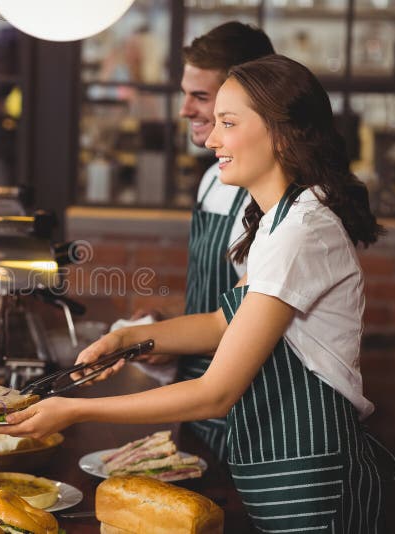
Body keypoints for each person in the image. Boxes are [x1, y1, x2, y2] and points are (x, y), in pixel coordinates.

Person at [0, 55, 395, 532]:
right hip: (280, 472)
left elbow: (216, 393)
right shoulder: (279, 221)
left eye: (227, 123)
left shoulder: (303, 231)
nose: (210, 138)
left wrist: (73, 410)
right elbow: (223, 323)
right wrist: (129, 340)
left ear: (282, 133)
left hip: (312, 484)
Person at [136, 21, 275, 462]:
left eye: (201, 96)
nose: (184, 110)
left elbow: (247, 321)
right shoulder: (213, 179)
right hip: (197, 407)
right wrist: (164, 324)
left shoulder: (276, 203)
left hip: (252, 417)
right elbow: (221, 301)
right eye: (185, 93)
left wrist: (152, 339)